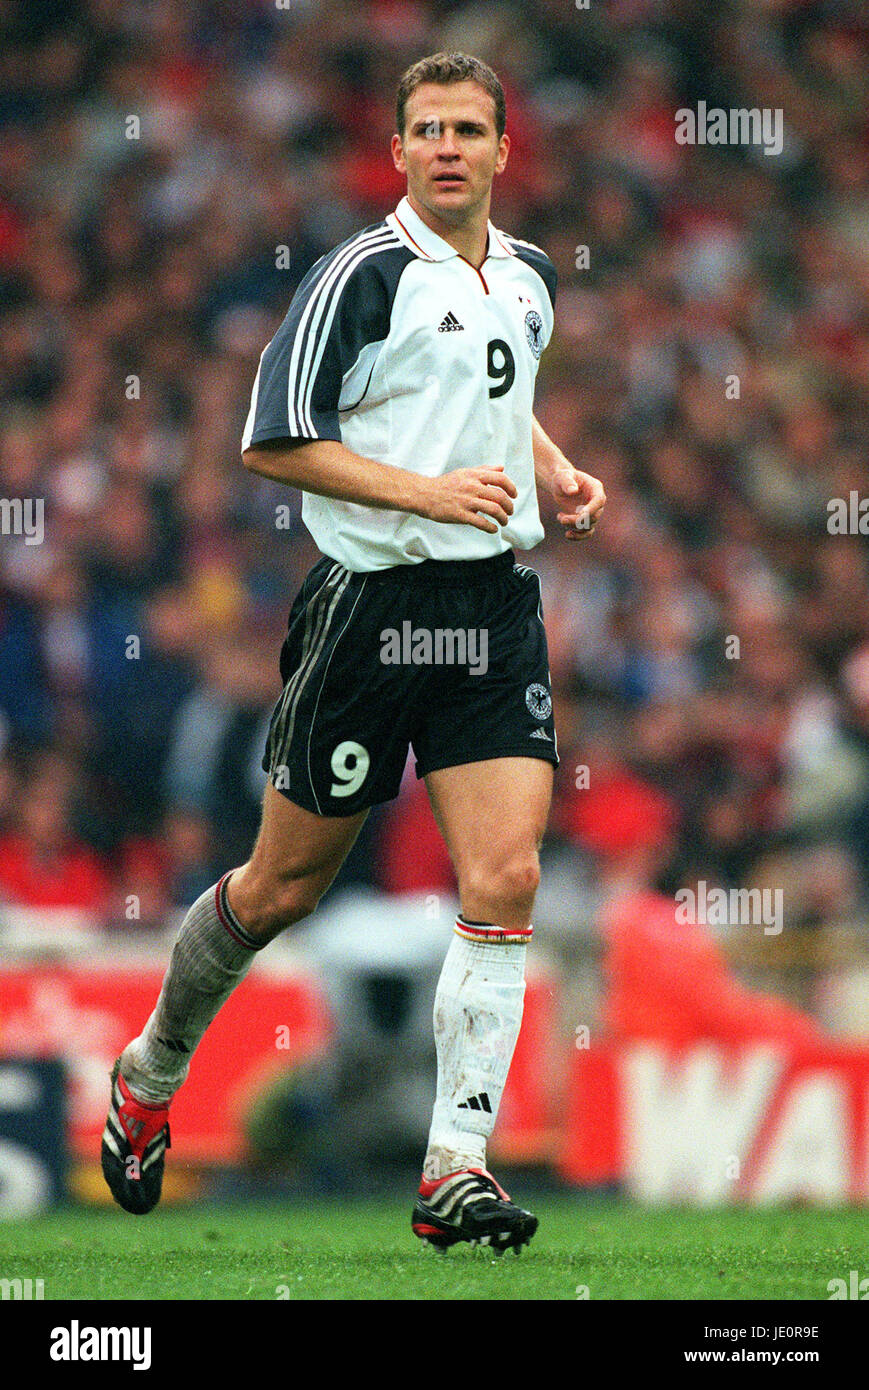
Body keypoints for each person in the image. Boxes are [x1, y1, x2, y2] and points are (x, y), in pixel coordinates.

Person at [101, 51, 606, 1252]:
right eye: (425, 127)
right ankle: (149, 1066)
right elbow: (272, 439)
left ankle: (453, 1166)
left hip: (490, 610)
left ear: (498, 148)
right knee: (282, 888)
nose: (446, 146)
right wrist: (422, 494)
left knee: (507, 878)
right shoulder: (359, 274)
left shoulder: (529, 276)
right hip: (368, 610)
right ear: (396, 150)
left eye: (467, 128)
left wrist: (552, 470)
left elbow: (497, 384)